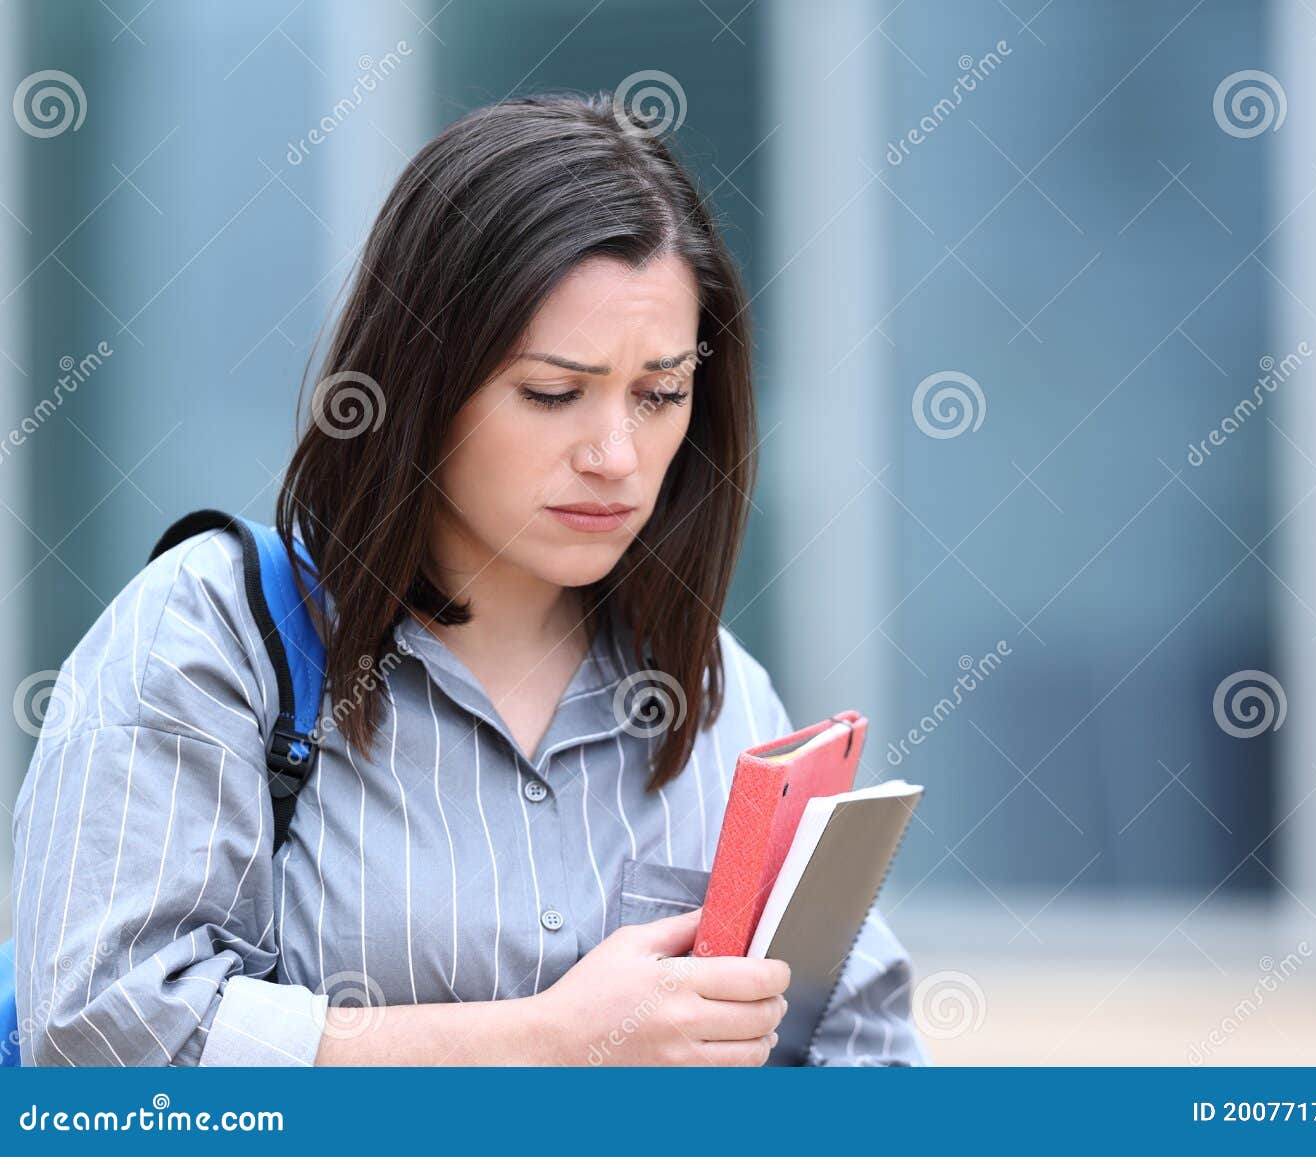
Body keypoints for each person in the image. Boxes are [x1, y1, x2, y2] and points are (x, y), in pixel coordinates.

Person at [9, 93, 926, 1067]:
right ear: (421, 384)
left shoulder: (717, 692)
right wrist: (547, 1042)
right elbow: (98, 1027)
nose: (616, 453)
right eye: (552, 393)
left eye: (660, 395)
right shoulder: (210, 636)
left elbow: (862, 1047)